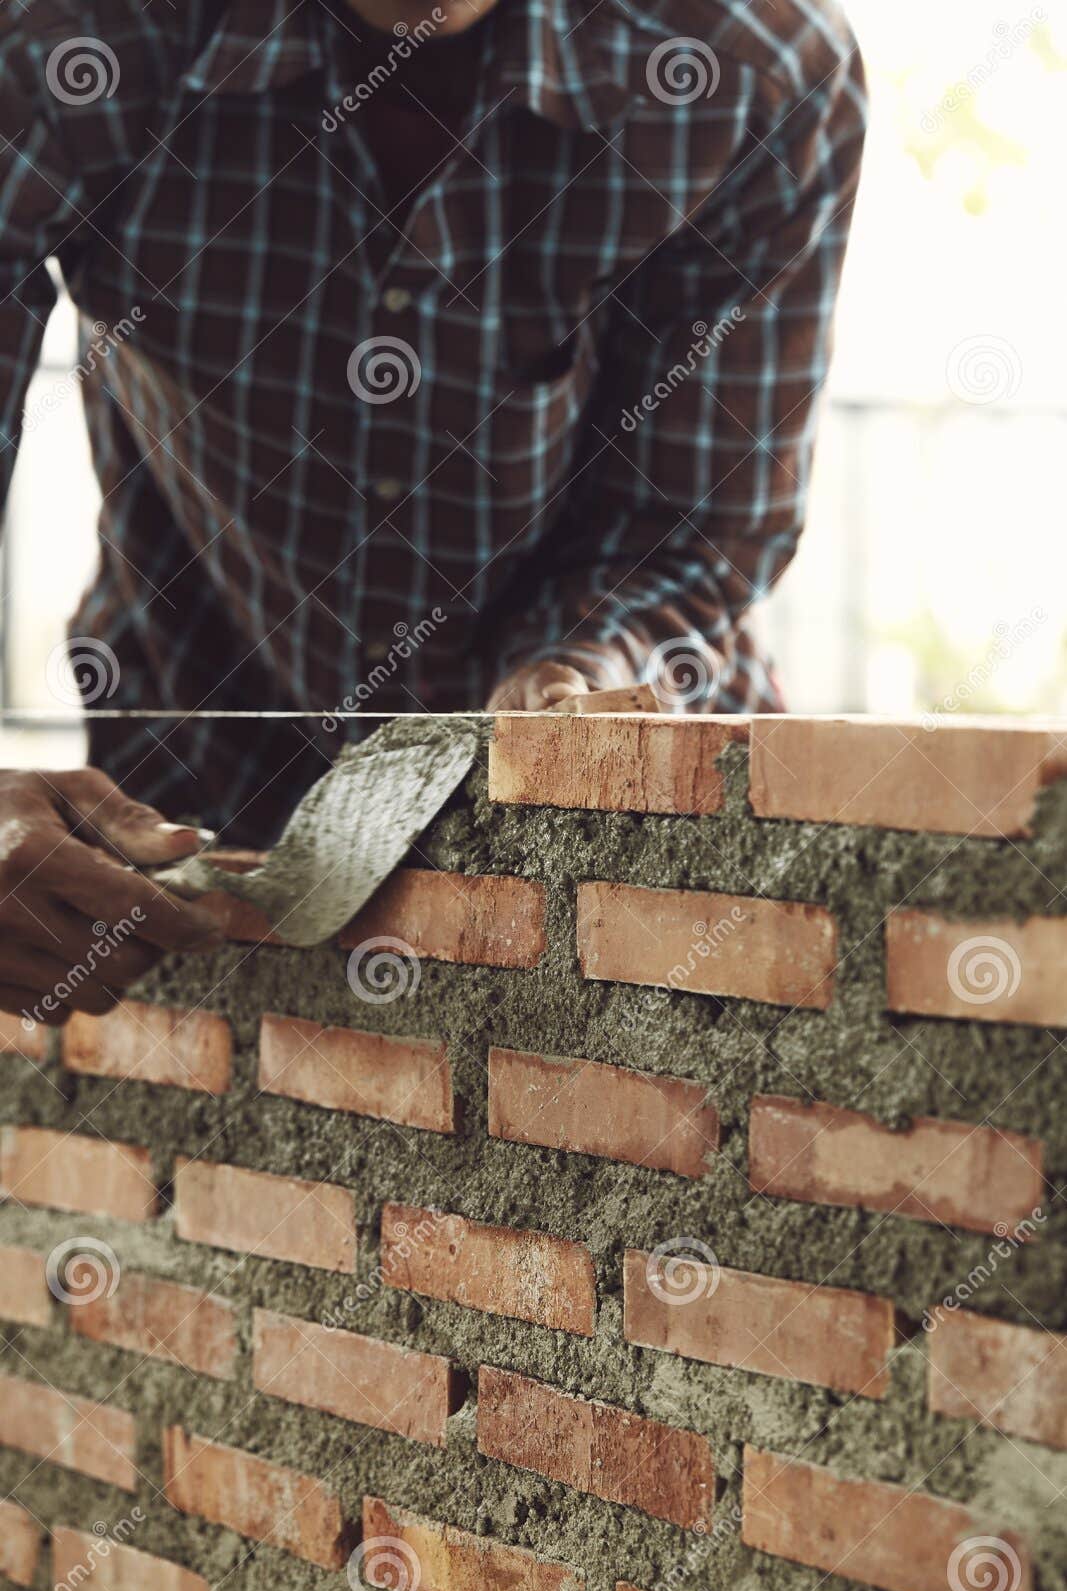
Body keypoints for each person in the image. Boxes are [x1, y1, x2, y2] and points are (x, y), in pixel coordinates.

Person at [0, 0, 866, 1020]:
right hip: (197, 794)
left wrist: (580, 671)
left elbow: (689, 528)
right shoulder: (70, 33)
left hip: (614, 857)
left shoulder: (747, 66)